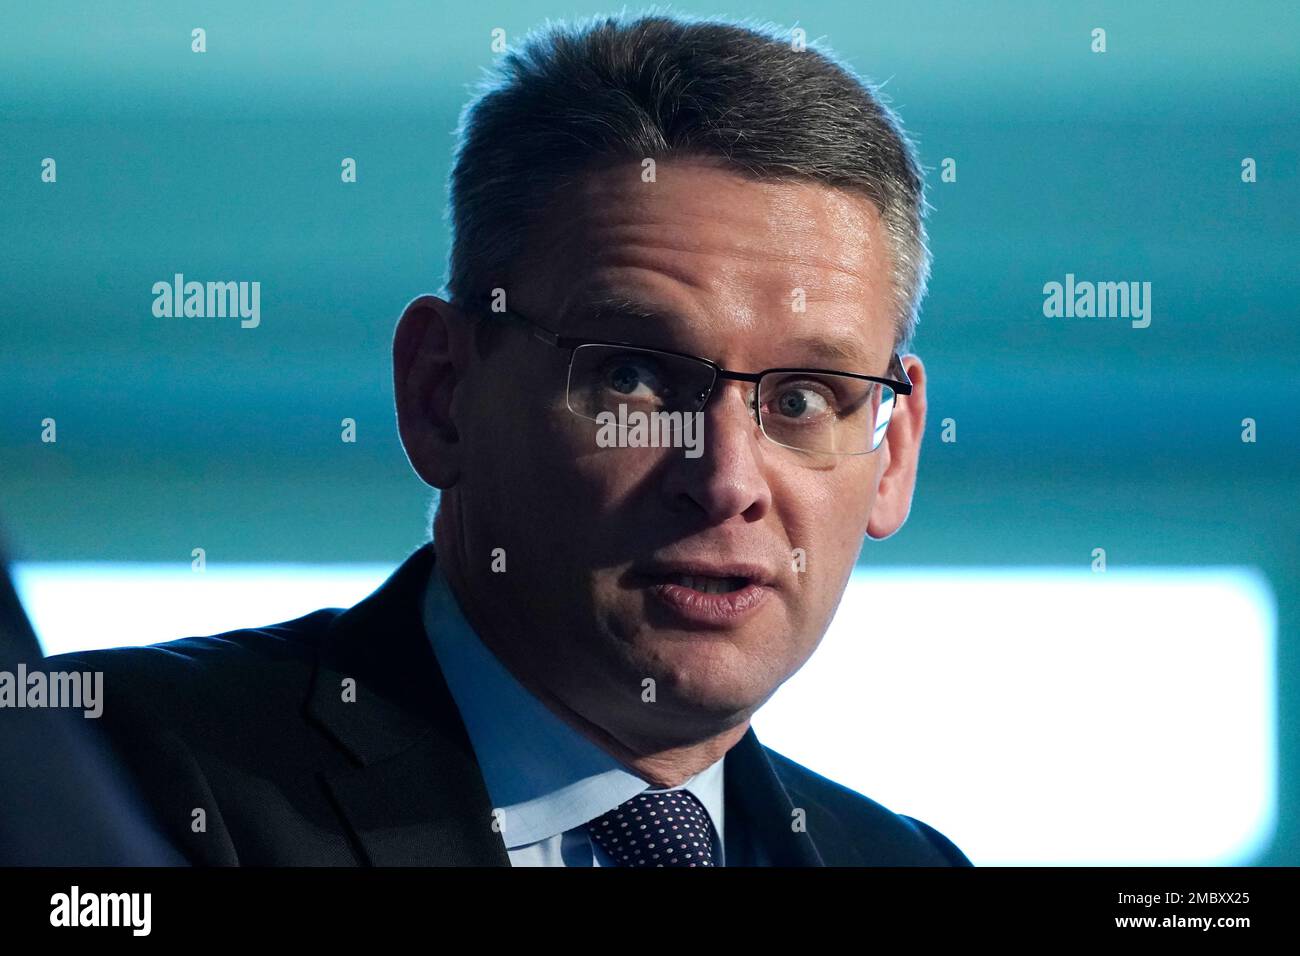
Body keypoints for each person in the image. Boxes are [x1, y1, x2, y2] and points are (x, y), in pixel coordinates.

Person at [42, 13, 970, 866]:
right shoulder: (105, 772)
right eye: (636, 377)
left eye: (804, 398)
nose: (727, 481)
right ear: (441, 394)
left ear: (891, 454)